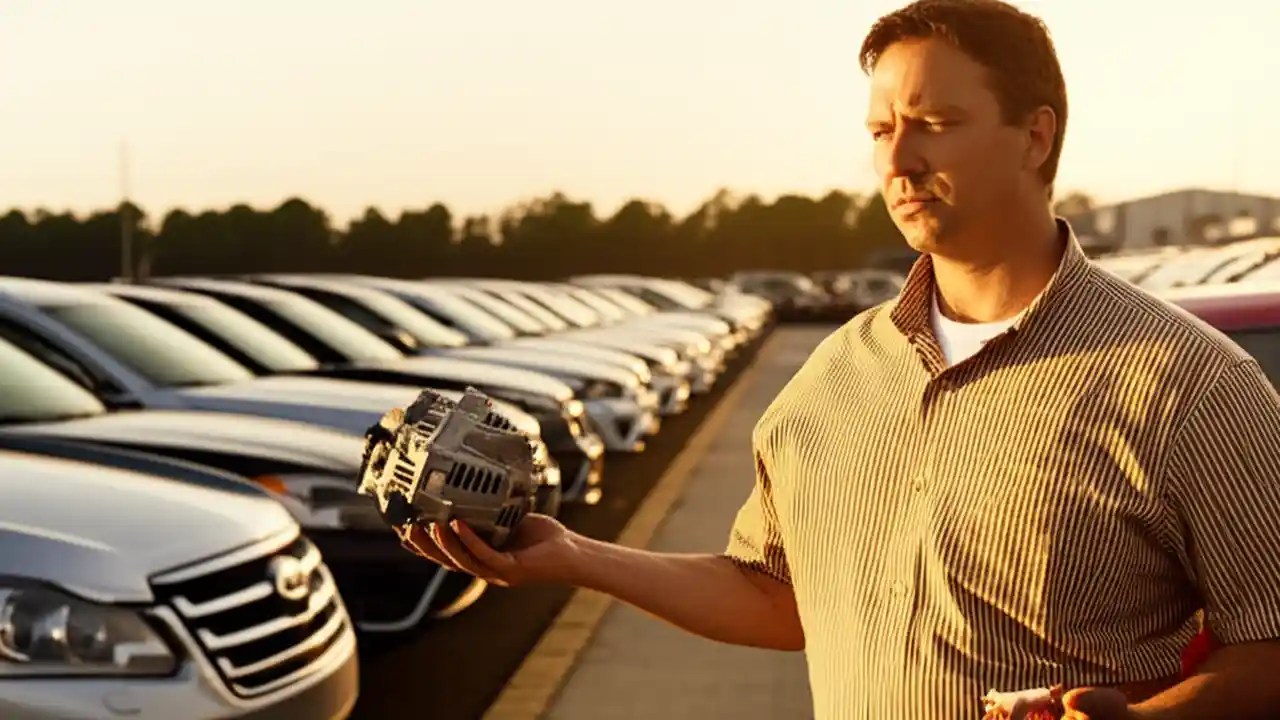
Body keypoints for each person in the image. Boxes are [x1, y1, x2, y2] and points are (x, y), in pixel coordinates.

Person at [400, 0, 1280, 717]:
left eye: (935, 123)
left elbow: (1269, 652)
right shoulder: (833, 378)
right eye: (881, 129)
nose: (898, 159)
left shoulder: (1192, 386)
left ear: (1035, 136)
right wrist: (575, 556)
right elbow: (779, 597)